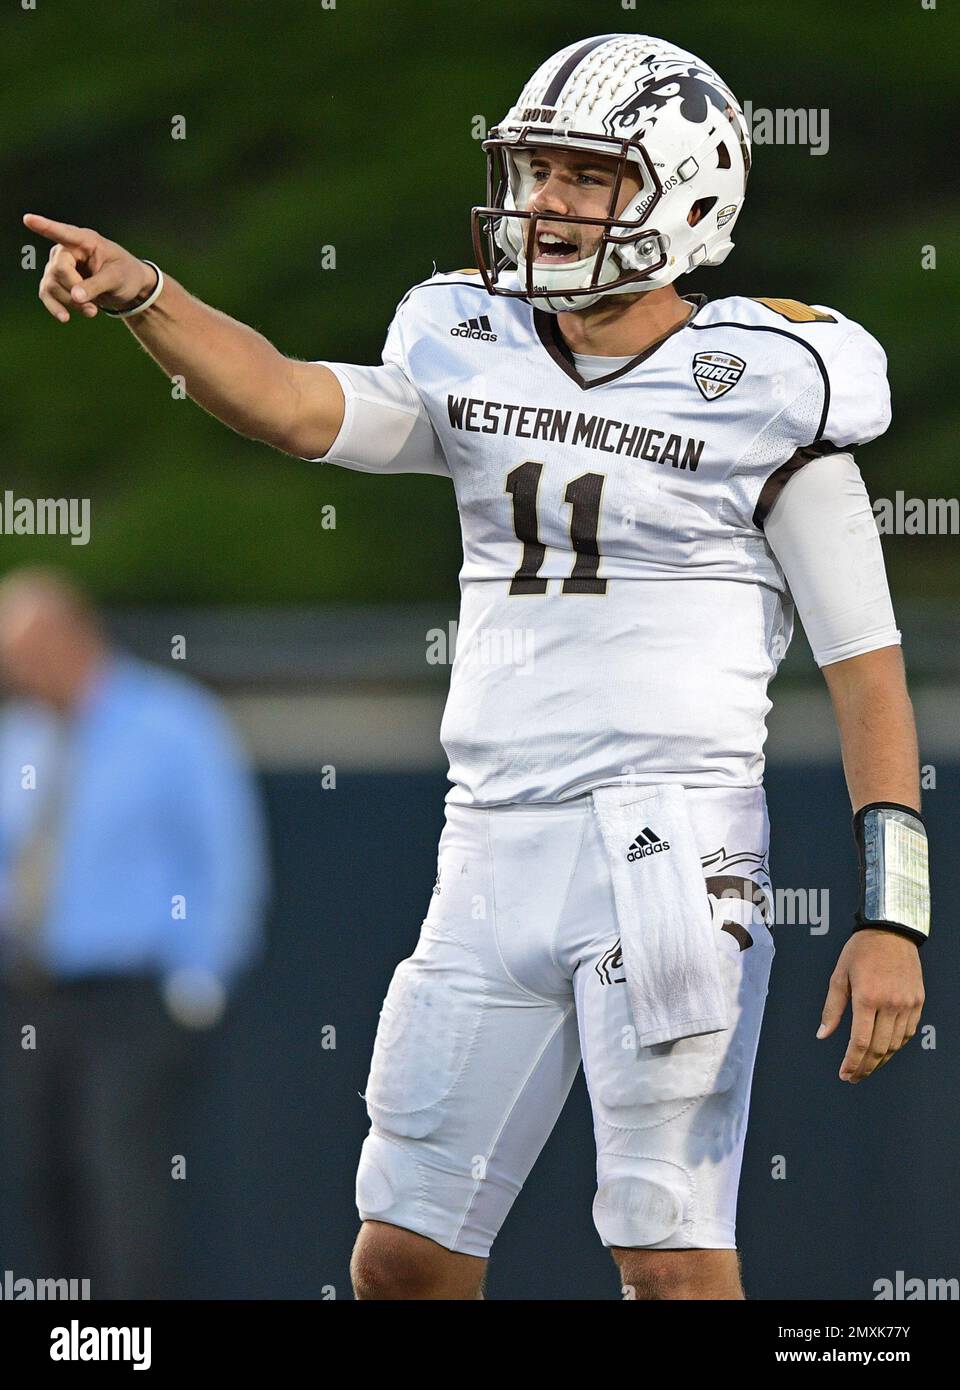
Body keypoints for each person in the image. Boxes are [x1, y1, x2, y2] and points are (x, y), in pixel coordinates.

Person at [22, 33, 928, 1302]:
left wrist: (894, 914)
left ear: (688, 192)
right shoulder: (473, 340)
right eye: (535, 168)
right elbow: (291, 401)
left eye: (585, 175)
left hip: (665, 853)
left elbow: (869, 673)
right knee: (400, 1258)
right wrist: (146, 294)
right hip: (489, 841)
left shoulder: (771, 386)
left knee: (669, 1262)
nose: (546, 201)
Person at [0, 568, 269, 1297]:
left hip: (133, 1000)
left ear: (70, 636)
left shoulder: (173, 722)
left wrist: (199, 982)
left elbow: (228, 857)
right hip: (33, 999)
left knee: (116, 1175)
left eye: (24, 655)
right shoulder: (20, 738)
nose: (18, 674)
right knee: (43, 1177)